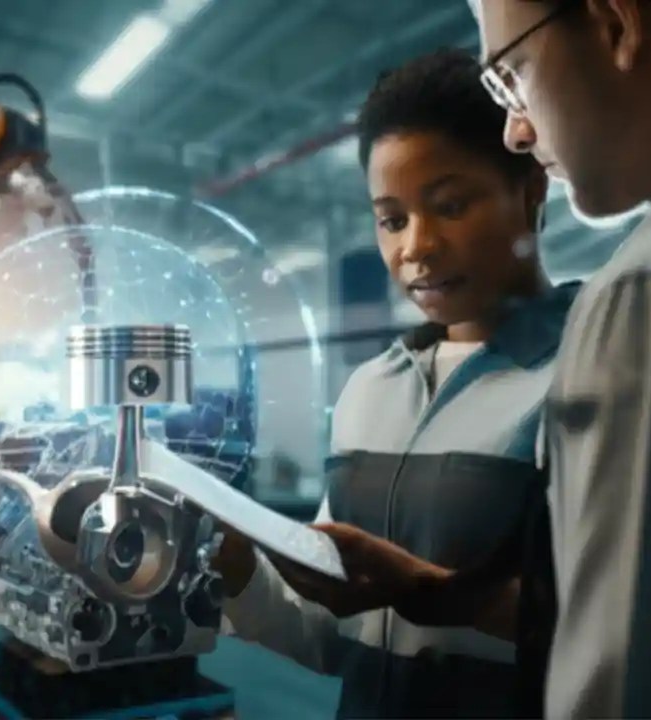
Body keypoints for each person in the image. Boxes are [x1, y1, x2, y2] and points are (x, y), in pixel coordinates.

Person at [296, 1, 651, 717]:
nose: (518, 130)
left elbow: (634, 690)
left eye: (513, 72)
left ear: (615, 23)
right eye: (392, 218)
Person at [213, 48, 578, 718]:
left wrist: (430, 592)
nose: (416, 246)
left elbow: (640, 631)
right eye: (392, 219)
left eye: (450, 205)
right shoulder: (369, 392)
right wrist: (232, 564)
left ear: (530, 189)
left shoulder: (588, 371)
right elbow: (329, 639)